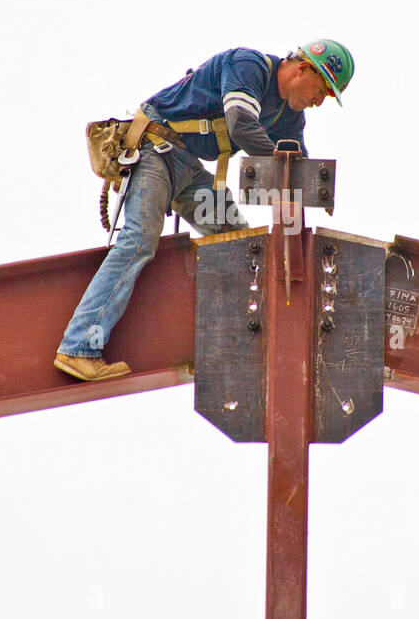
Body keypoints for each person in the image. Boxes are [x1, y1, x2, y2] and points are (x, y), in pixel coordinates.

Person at [54, 39, 355, 382]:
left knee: (242, 245)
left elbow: (294, 166)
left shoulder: (288, 115)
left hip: (187, 171)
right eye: (321, 91)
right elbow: (242, 124)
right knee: (139, 241)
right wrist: (290, 175)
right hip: (155, 150)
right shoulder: (250, 66)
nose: (318, 103)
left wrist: (310, 192)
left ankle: (245, 349)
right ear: (303, 69)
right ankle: (78, 347)